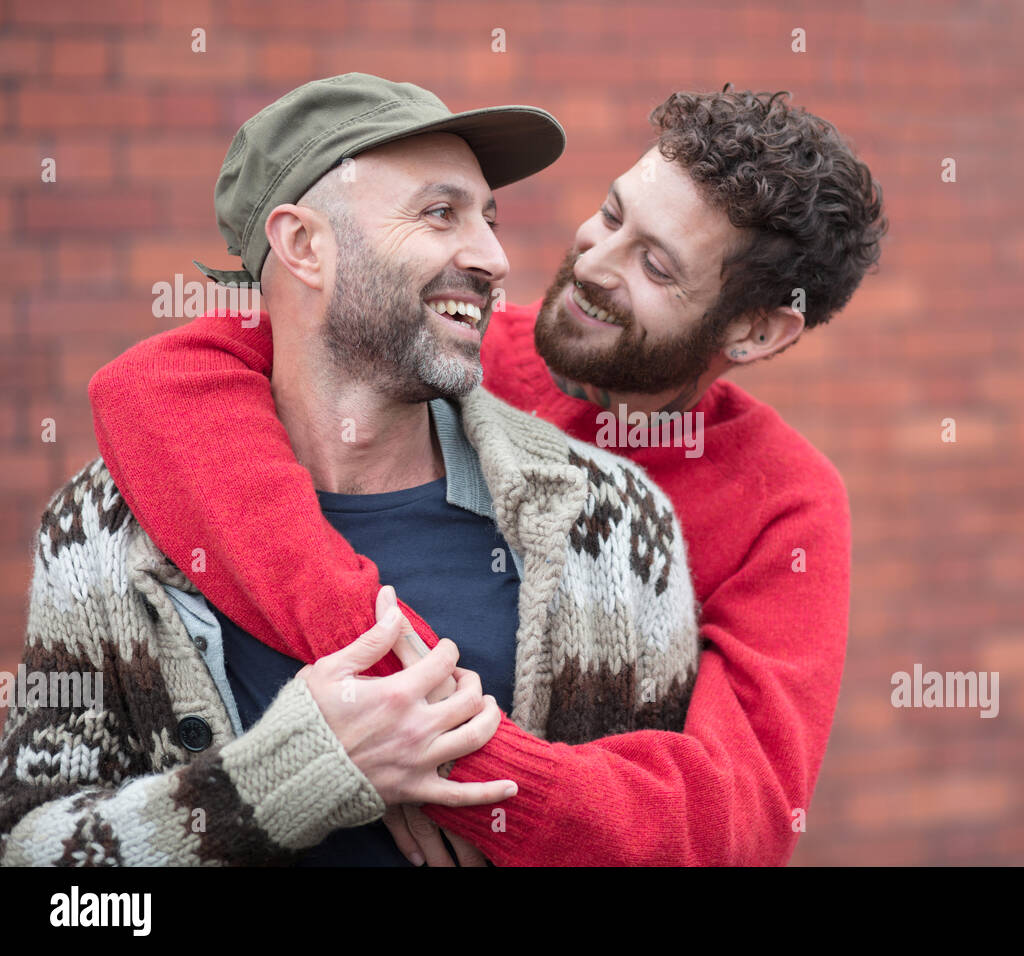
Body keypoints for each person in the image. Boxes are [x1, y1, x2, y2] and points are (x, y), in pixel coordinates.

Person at [84, 84, 887, 866]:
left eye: (657, 266)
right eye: (611, 214)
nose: (595, 262)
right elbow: (153, 387)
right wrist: (385, 725)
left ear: (755, 329)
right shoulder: (445, 352)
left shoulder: (786, 505)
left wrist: (462, 777)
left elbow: (736, 820)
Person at [0, 74, 700, 866]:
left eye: (490, 219)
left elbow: (673, 844)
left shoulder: (608, 523)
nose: (495, 257)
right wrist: (291, 776)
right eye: (442, 214)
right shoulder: (104, 531)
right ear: (304, 246)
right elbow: (44, 872)